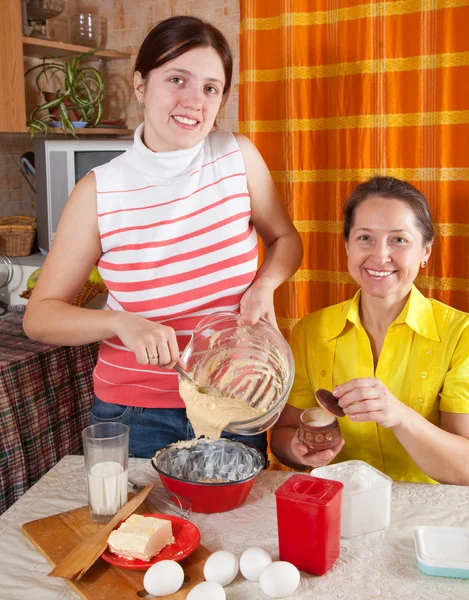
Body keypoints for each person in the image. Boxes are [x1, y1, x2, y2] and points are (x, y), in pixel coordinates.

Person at [23, 16, 303, 459]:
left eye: (211, 88)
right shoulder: (99, 191)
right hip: (136, 412)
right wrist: (120, 323)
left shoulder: (238, 156)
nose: (195, 100)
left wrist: (265, 285)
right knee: (140, 529)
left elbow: (286, 239)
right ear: (141, 85)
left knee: (226, 530)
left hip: (234, 400)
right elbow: (39, 318)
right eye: (177, 79)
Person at [271, 176, 469, 484]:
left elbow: (465, 467)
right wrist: (297, 451)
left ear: (426, 251)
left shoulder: (461, 334)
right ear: (347, 245)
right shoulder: (311, 330)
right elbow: (283, 436)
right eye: (365, 238)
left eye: (399, 240)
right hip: (343, 505)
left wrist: (399, 415)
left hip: (428, 513)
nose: (379, 256)